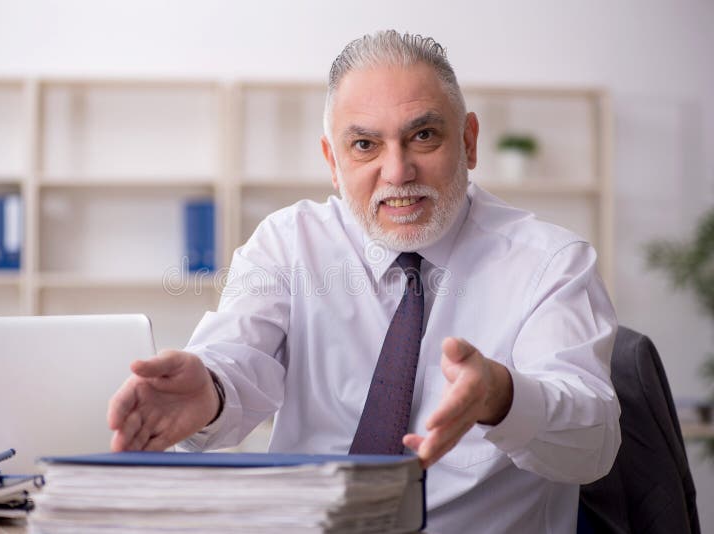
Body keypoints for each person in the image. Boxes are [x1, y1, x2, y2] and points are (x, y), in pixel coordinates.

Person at [108, 30, 620, 532]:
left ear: (468, 141)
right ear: (333, 161)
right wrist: (211, 392)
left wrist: (503, 398)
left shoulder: (552, 263)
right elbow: (240, 359)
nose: (397, 172)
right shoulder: (289, 243)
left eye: (423, 136)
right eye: (365, 145)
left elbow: (594, 446)